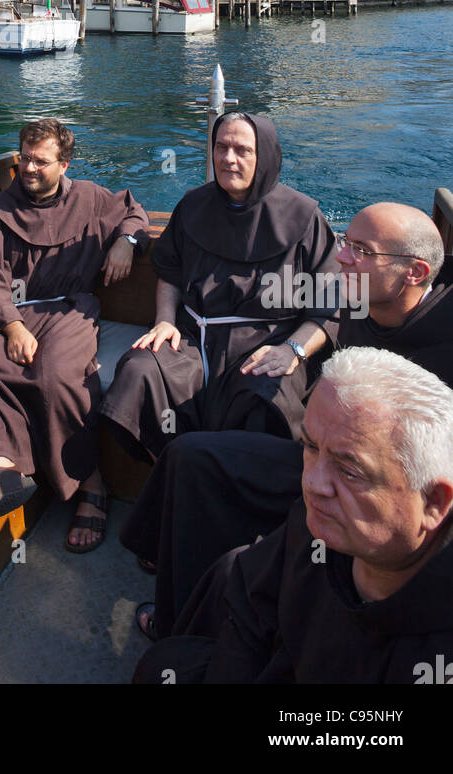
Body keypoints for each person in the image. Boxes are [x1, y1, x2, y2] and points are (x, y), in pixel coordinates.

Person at [127, 202, 451, 640]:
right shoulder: (361, 300)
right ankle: (173, 604)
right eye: (345, 243)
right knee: (191, 454)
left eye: (361, 250)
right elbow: (319, 324)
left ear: (414, 272)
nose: (341, 257)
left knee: (233, 571)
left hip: (381, 501)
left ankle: (196, 632)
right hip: (319, 462)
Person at [135, 346, 453, 684]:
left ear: (433, 502)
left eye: (350, 471)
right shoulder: (320, 526)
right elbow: (253, 601)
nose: (313, 484)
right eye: (311, 447)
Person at [0, 119, 149, 552]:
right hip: (12, 316)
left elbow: (134, 211)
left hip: (69, 310)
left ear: (64, 164)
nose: (30, 168)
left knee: (53, 374)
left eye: (41, 161)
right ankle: (2, 462)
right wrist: (11, 324)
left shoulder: (90, 199)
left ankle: (90, 479)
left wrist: (127, 240)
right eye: (25, 159)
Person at [101, 112, 340, 460]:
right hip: (193, 340)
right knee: (141, 370)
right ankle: (174, 469)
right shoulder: (193, 205)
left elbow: (330, 304)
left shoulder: (304, 218)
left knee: (264, 399)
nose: (229, 159)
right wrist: (164, 320)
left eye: (242, 150)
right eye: (221, 147)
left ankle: (242, 498)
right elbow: (170, 271)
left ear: (265, 156)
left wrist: (293, 350)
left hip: (267, 346)